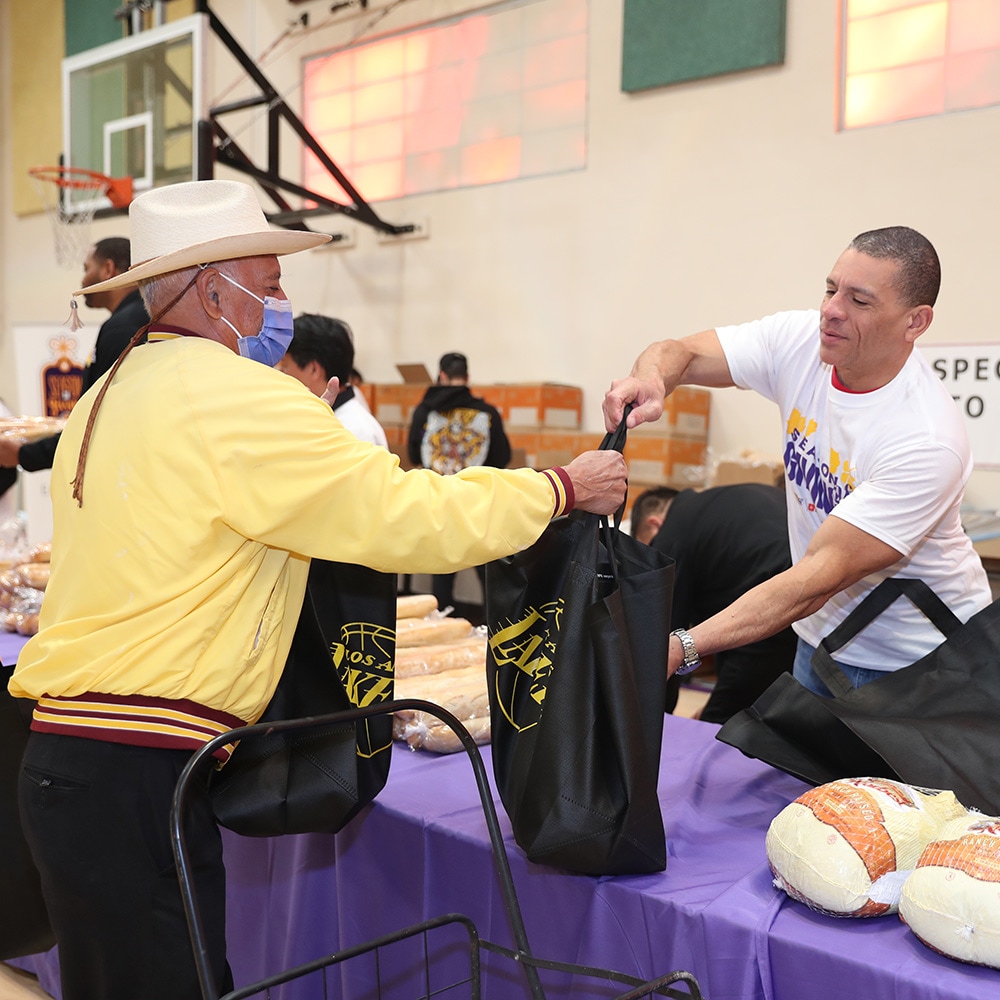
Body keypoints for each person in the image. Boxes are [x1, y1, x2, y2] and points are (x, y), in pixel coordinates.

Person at [9, 178, 626, 1000]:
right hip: (139, 770)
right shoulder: (235, 397)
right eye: (267, 286)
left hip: (67, 759)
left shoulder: (109, 396)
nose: (281, 305)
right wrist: (557, 488)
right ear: (210, 285)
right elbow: (405, 514)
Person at [605, 226, 991, 695]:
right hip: (821, 641)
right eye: (831, 289)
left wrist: (681, 646)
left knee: (873, 774)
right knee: (808, 771)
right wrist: (652, 379)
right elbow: (682, 354)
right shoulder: (801, 342)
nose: (831, 310)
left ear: (915, 322)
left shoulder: (926, 439)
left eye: (859, 301)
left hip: (915, 663)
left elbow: (815, 577)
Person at [630, 483, 796, 723]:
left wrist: (658, 721)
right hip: (808, 600)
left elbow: (666, 636)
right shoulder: (720, 503)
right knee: (760, 714)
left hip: (770, 608)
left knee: (721, 726)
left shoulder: (671, 537)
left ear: (655, 525)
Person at [0, 238, 149, 474]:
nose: (83, 279)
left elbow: (98, 422)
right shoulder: (140, 316)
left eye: (86, 268)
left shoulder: (122, 327)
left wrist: (23, 454)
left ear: (108, 269)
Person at [407, 352, 511, 609]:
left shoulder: (426, 410)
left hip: (440, 502)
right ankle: (492, 633)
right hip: (477, 502)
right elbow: (503, 456)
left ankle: (442, 630)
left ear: (441, 376)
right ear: (467, 377)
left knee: (442, 572)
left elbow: (412, 453)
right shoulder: (487, 413)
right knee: (487, 571)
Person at [276, 313, 388, 446]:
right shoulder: (324, 419)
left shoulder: (355, 431)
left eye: (285, 366)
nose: (281, 374)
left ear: (314, 369)